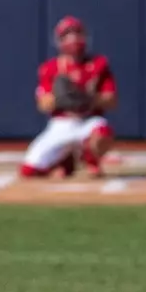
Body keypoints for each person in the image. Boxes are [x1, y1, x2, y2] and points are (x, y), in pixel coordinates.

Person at [20, 16, 116, 179]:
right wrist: (63, 98)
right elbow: (43, 104)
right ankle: (64, 161)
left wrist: (86, 97)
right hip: (62, 123)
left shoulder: (98, 64)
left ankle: (90, 157)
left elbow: (111, 100)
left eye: (77, 33)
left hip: (88, 120)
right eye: (68, 35)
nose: (74, 39)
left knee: (103, 131)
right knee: (28, 170)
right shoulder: (50, 68)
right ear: (59, 40)